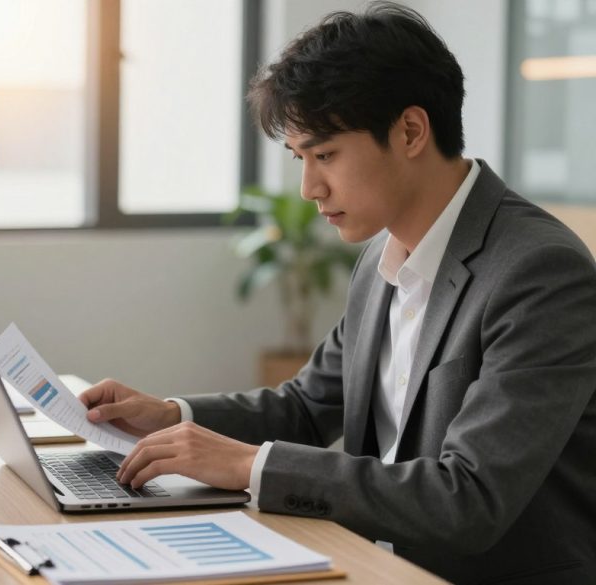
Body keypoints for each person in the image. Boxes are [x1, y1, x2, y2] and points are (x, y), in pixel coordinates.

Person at [79, 4, 596, 583]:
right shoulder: (382, 255)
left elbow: (468, 499)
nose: (308, 188)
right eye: (300, 158)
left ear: (410, 131)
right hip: (372, 562)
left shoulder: (539, 272)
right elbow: (306, 407)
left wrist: (249, 464)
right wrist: (170, 416)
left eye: (324, 155)